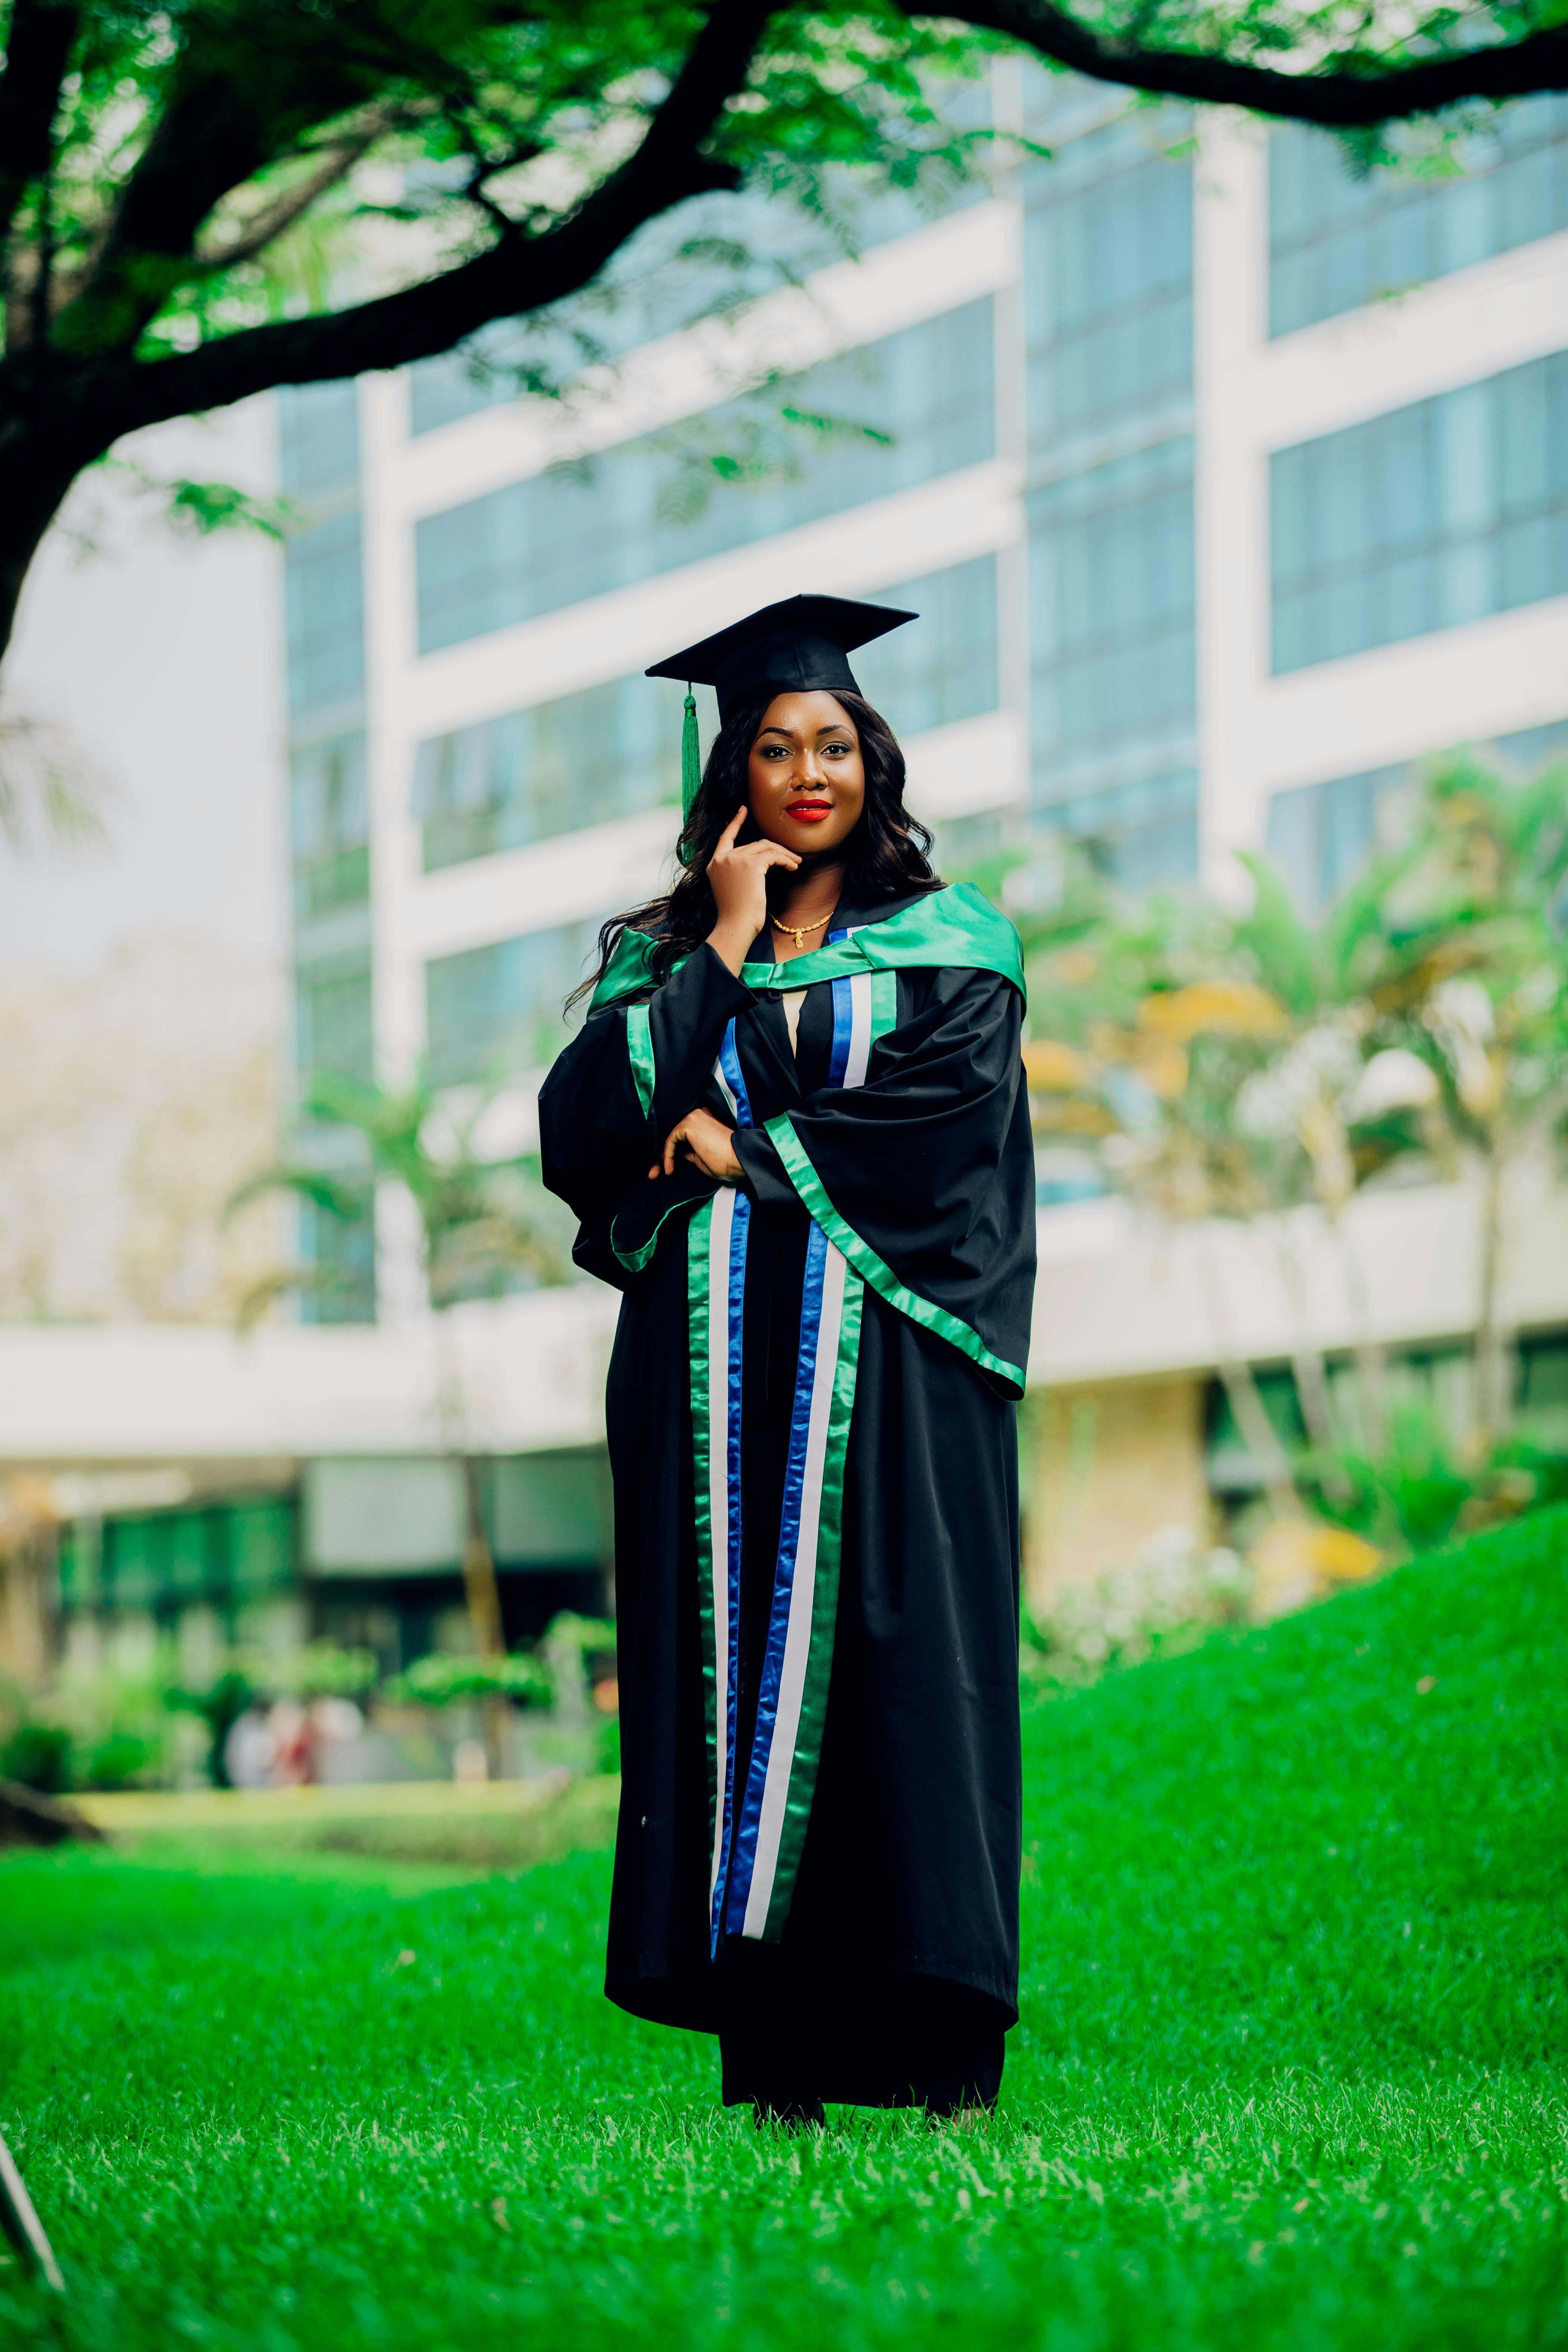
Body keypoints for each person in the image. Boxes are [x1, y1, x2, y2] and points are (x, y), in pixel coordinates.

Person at [539, 594, 1036, 2127]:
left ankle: (942, 2047)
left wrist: (747, 1153)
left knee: (901, 1681)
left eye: (831, 743)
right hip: (709, 1396)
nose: (807, 772)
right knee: (731, 1693)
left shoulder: (948, 947)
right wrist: (732, 940)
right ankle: (777, 2065)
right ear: (734, 779)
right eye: (773, 748)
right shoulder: (674, 955)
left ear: (870, 762)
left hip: (882, 1377)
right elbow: (585, 1132)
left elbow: (945, 1128)